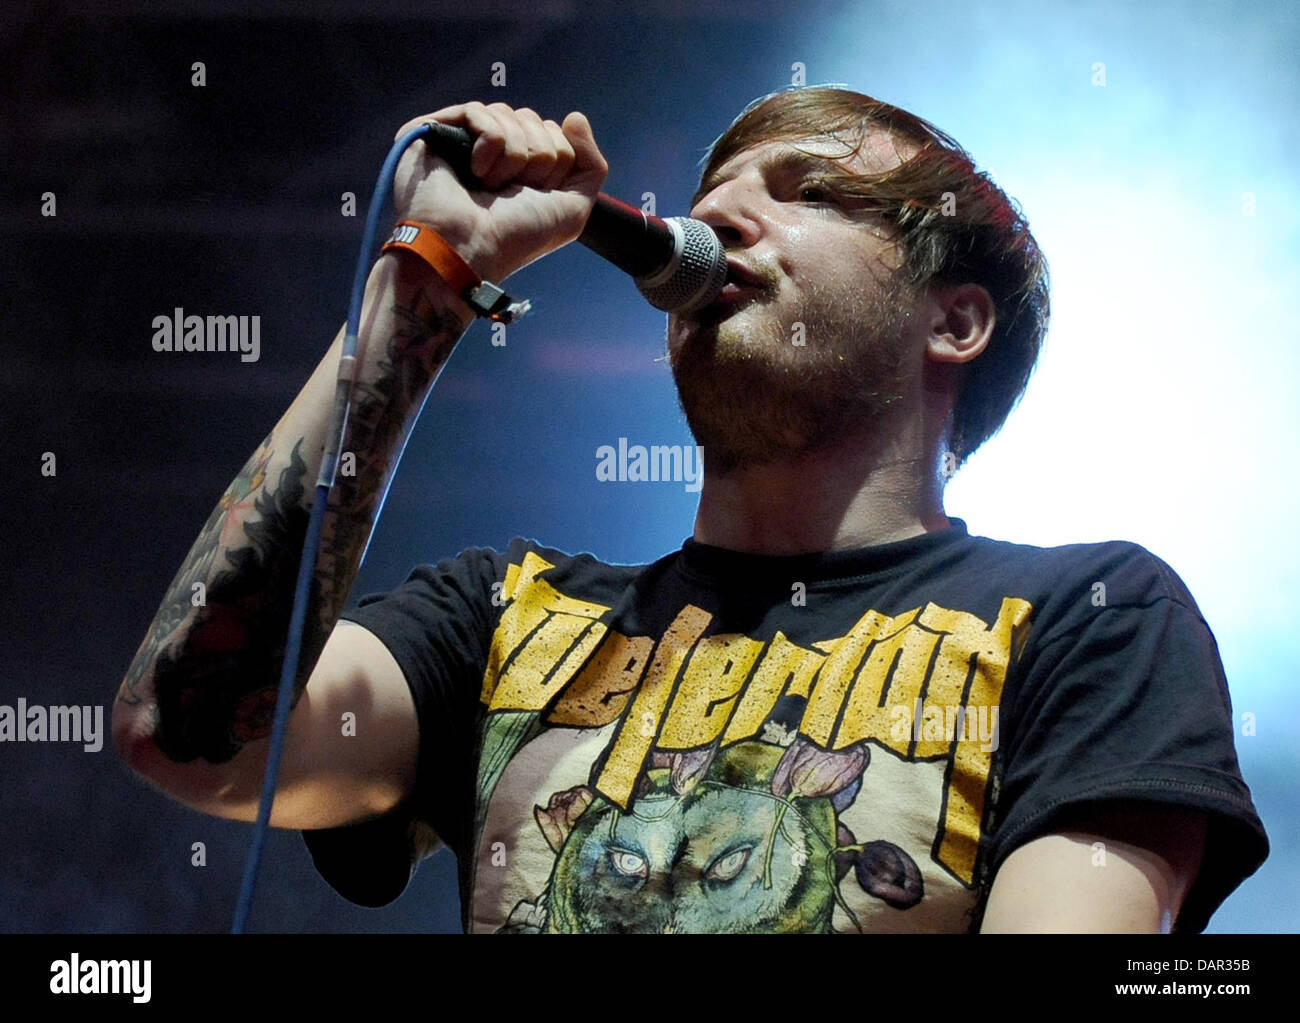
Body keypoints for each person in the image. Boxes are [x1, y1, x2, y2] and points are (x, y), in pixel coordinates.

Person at [112, 87, 1268, 934]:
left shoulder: (1089, 615)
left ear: (953, 324)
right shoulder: (503, 614)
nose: (723, 221)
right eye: (713, 202)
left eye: (807, 193)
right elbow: (192, 738)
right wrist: (416, 291)